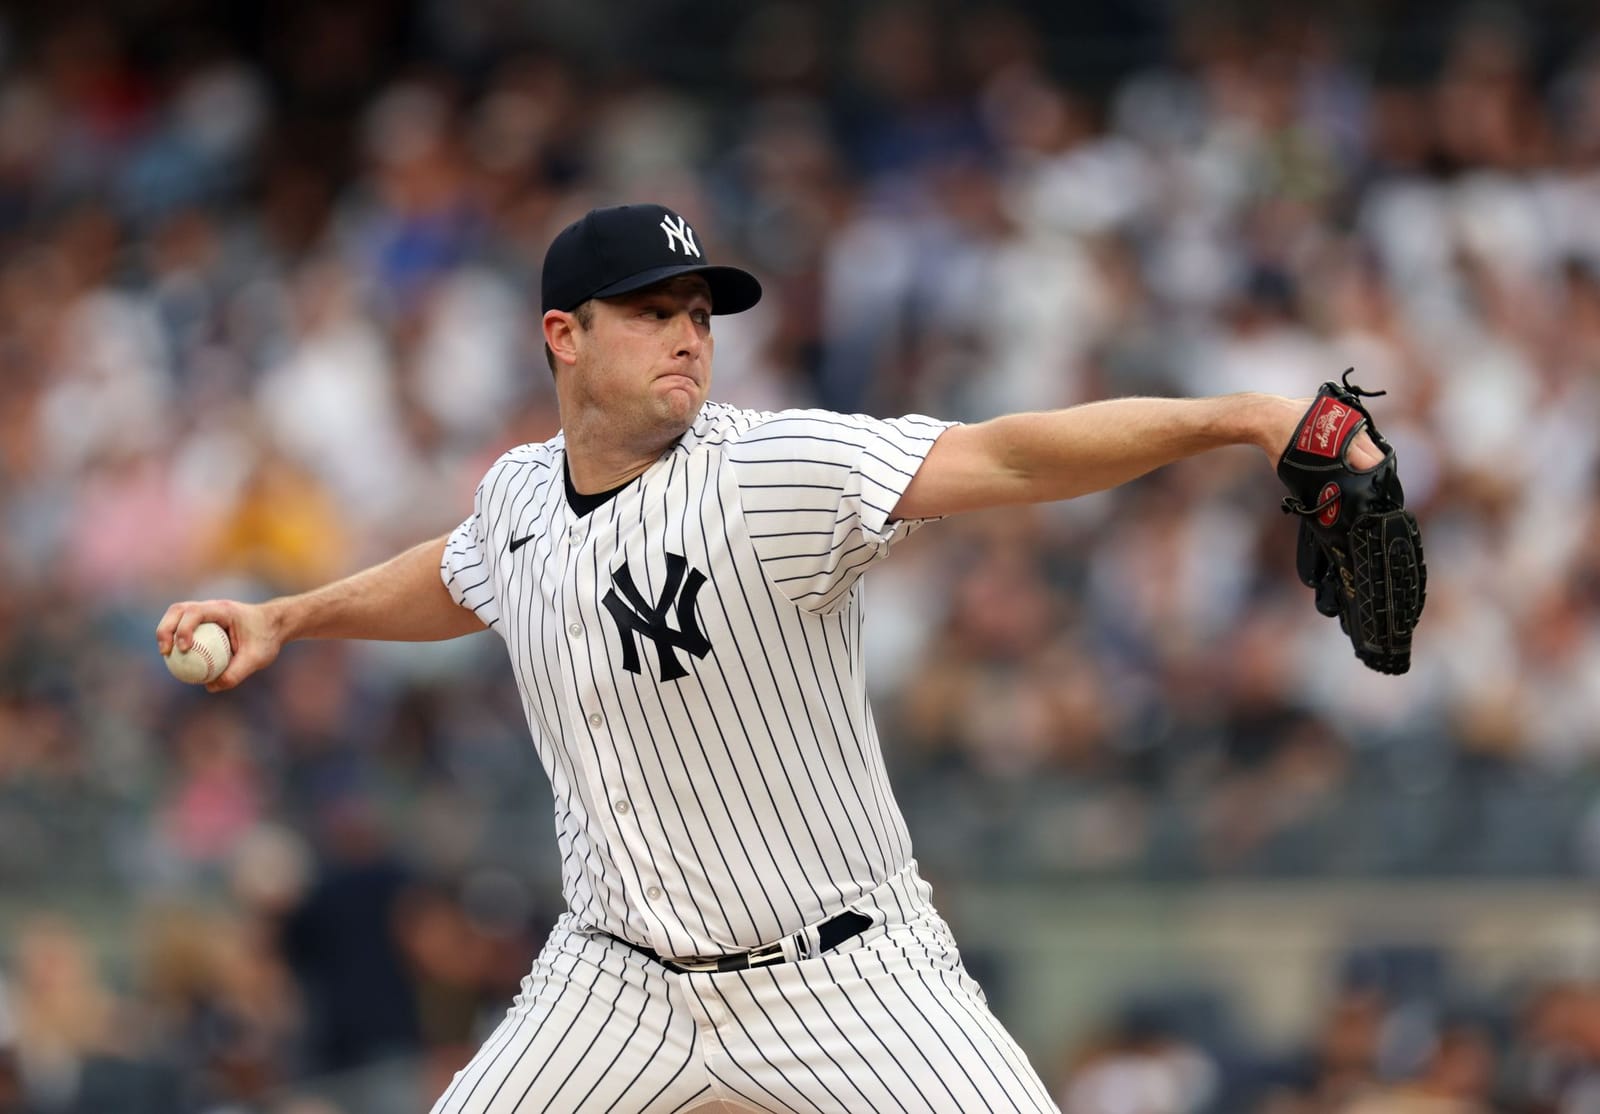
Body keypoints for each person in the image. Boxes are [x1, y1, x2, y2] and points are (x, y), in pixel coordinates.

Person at [157, 203, 1379, 1113]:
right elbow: (463, 573)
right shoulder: (517, 493)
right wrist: (291, 616)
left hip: (846, 972)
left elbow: (1007, 454)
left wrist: (1238, 417)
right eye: (652, 313)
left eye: (699, 314)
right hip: (615, 980)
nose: (689, 336)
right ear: (561, 337)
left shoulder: (768, 471)